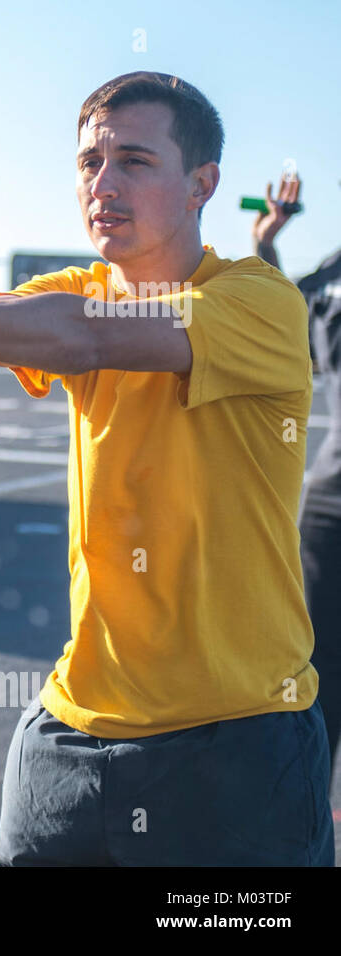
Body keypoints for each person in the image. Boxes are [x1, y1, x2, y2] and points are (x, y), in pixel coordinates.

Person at [0, 71, 333, 865]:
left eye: (135, 161)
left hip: (235, 741)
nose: (103, 184)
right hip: (71, 733)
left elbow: (93, 337)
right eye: (89, 162)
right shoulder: (74, 290)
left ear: (201, 185)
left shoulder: (259, 300)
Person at [254, 170, 341, 783]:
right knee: (319, 668)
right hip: (333, 499)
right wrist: (265, 239)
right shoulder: (331, 275)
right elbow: (272, 312)